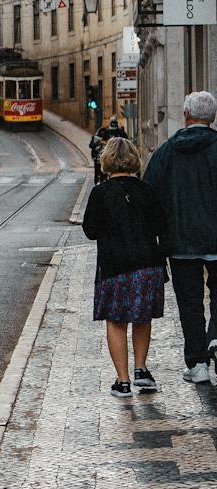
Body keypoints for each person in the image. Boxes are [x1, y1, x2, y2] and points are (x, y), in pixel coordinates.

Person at [82, 137, 167, 397]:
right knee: (142, 318)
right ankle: (141, 369)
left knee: (116, 321)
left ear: (106, 160)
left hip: (114, 268)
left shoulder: (101, 193)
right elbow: (161, 226)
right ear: (133, 159)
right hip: (147, 265)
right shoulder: (147, 190)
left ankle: (123, 380)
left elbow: (90, 231)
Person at [144, 89, 217, 383]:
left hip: (179, 242)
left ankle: (197, 364)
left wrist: (159, 233)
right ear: (212, 118)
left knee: (189, 301)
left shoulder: (166, 151)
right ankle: (215, 338)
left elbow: (149, 194)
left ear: (187, 115)